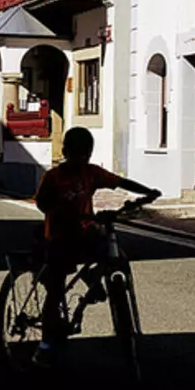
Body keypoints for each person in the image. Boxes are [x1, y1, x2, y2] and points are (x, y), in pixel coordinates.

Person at [32, 127, 159, 367]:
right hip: (58, 236)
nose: (81, 159)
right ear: (66, 152)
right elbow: (41, 203)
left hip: (84, 231)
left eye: (85, 154)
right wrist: (59, 210)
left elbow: (119, 181)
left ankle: (95, 279)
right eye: (77, 154)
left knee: (106, 245)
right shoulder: (53, 177)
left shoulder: (91, 173)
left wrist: (148, 192)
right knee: (55, 291)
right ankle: (45, 345)